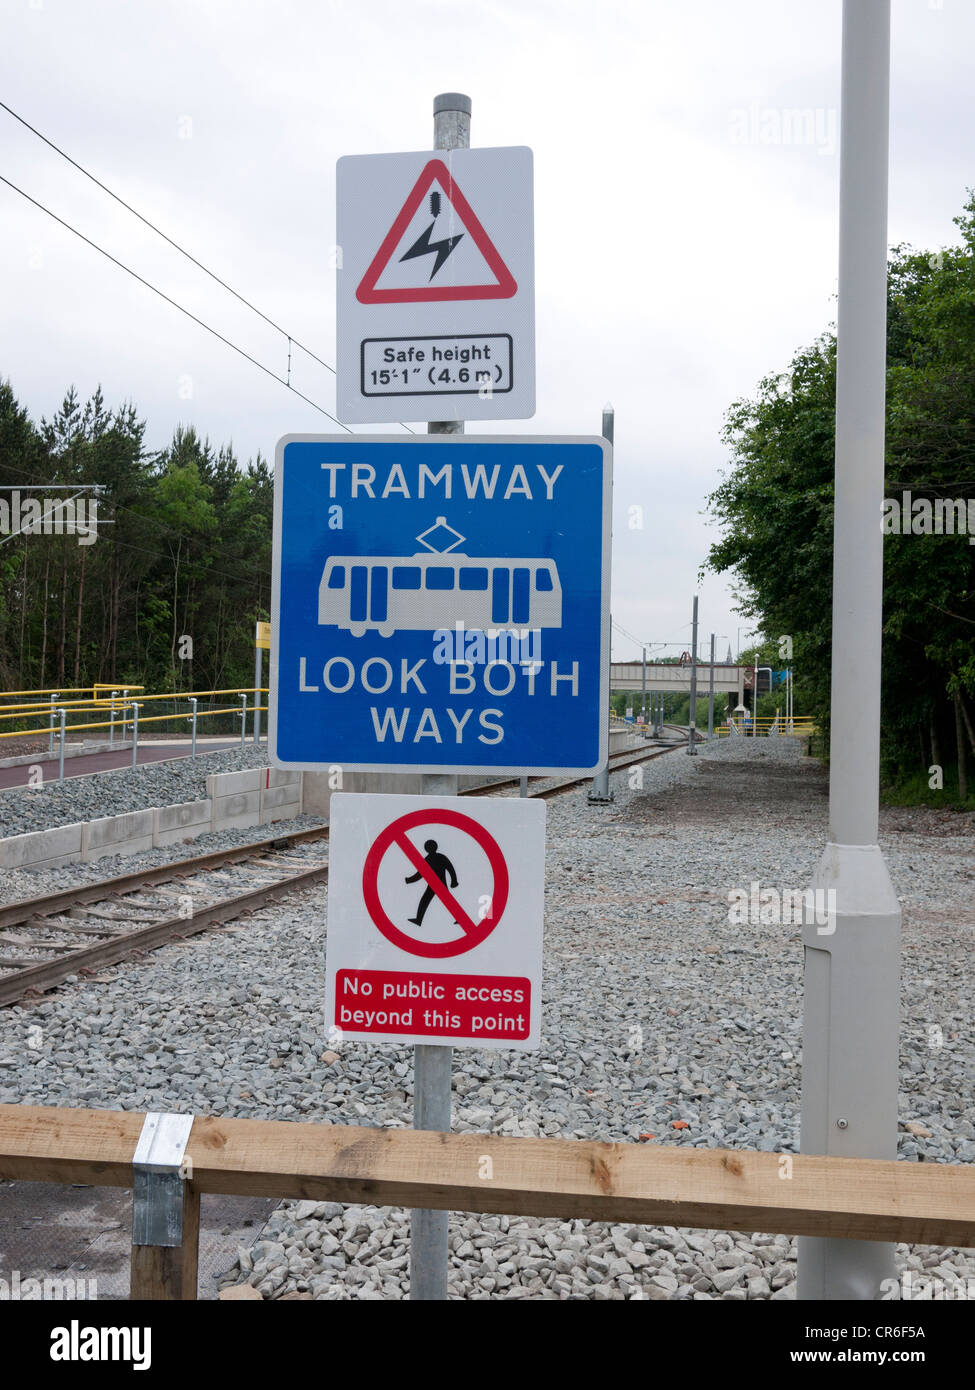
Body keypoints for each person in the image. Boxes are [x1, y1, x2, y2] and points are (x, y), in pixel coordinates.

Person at [406, 839, 458, 926]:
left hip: (435, 885)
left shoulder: (428, 859)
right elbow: (451, 869)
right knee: (445, 901)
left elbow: (420, 874)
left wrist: (409, 880)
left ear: (426, 849)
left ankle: (418, 920)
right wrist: (454, 881)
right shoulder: (441, 857)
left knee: (426, 900)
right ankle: (418, 920)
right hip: (436, 884)